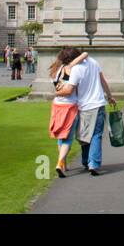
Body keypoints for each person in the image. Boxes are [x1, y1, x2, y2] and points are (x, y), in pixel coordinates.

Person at [56, 45, 116, 176]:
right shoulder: (93, 61)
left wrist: (56, 92)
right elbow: (103, 81)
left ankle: (86, 161)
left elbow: (70, 90)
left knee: (85, 136)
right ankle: (92, 163)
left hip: (84, 106)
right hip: (99, 104)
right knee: (96, 135)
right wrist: (110, 96)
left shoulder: (75, 69)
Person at [48, 49, 90, 177]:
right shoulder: (69, 68)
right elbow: (85, 54)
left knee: (61, 137)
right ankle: (60, 163)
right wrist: (80, 55)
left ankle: (64, 165)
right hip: (69, 106)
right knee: (68, 138)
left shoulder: (55, 70)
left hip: (57, 105)